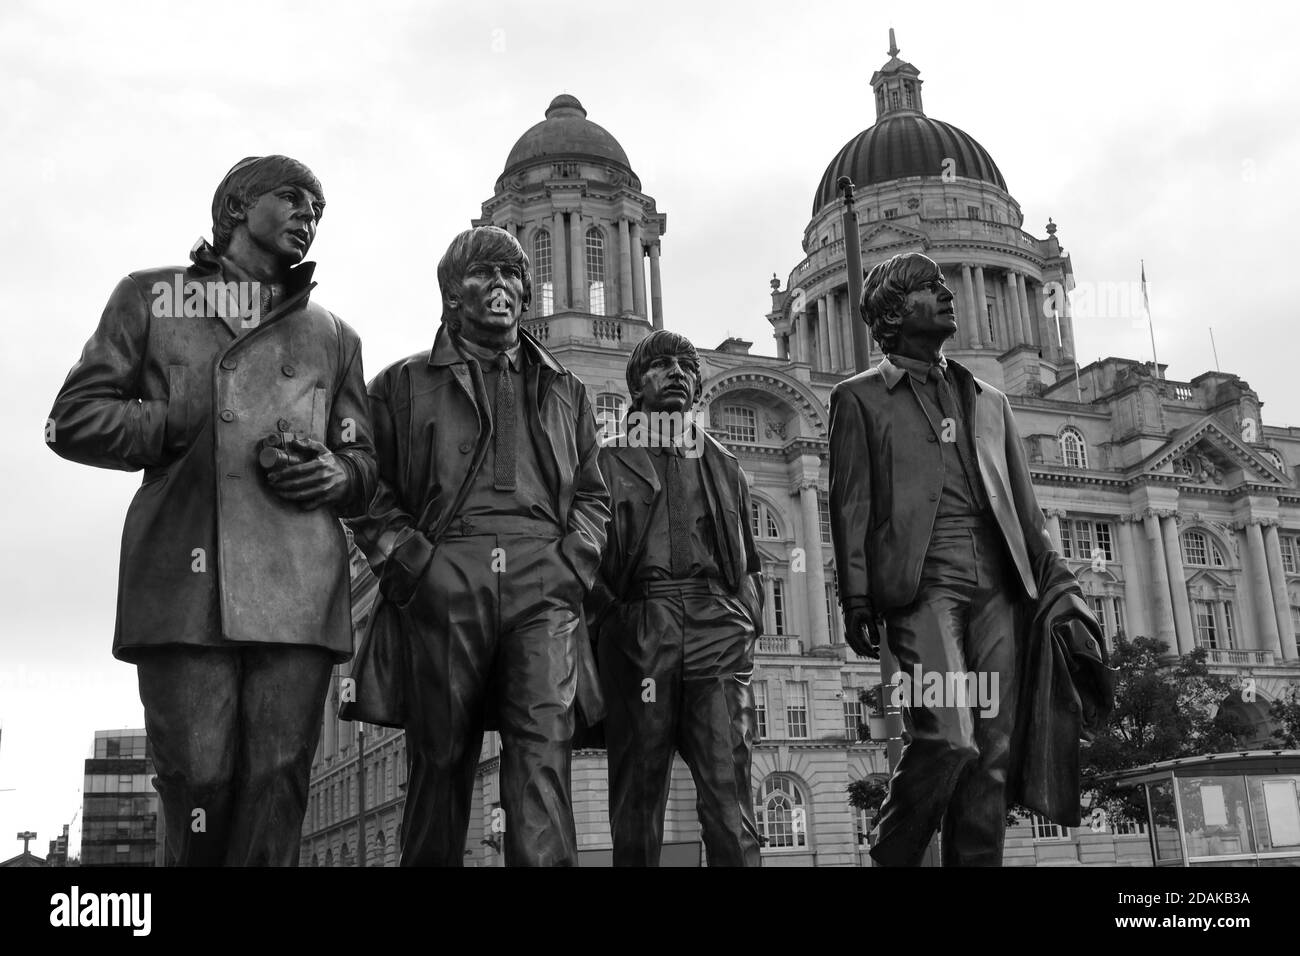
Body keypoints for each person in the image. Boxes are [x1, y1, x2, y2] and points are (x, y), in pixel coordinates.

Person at [48, 155, 376, 865]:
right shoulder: (150, 297)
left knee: (277, 784)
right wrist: (171, 419)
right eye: (291, 198)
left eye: (318, 208)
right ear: (235, 208)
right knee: (197, 781)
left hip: (297, 584)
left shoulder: (334, 336)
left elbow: (365, 465)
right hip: (184, 578)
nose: (308, 215)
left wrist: (333, 471)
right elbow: (71, 420)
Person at [343, 226, 610, 866]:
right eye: (483, 275)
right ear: (450, 297)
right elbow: (366, 490)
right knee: (441, 757)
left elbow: (595, 497)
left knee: (544, 746)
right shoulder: (400, 384)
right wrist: (416, 566)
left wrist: (573, 563)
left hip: (544, 579)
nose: (502, 288)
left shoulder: (567, 389)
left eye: (513, 276)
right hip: (446, 573)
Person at [828, 252, 1096, 866]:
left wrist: (1062, 591)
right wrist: (858, 596)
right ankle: (891, 857)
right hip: (924, 580)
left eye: (947, 285)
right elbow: (852, 503)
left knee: (992, 755)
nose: (948, 296)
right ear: (895, 312)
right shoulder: (859, 399)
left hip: (998, 581)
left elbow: (1026, 514)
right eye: (930, 287)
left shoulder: (991, 401)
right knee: (950, 737)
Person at [586, 330, 764, 866]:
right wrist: (617, 620)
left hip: (717, 627)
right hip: (642, 624)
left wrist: (743, 620)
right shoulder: (605, 459)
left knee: (729, 792)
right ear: (637, 383)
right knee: (639, 796)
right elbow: (584, 551)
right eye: (661, 364)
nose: (677, 373)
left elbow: (748, 561)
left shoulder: (724, 463)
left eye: (687, 365)